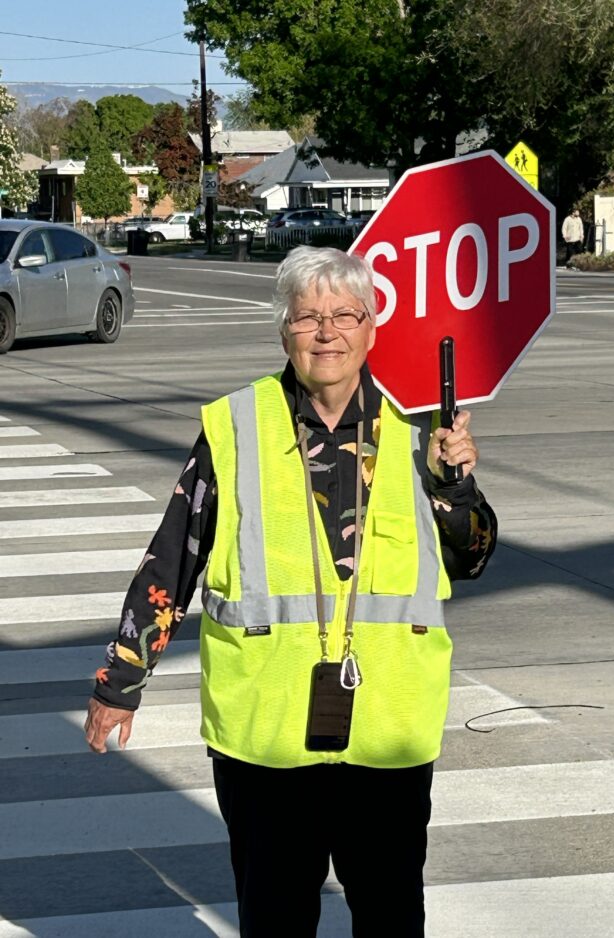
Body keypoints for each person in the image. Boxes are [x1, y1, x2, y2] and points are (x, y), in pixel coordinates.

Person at [84, 246, 497, 938]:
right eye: (308, 317)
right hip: (266, 738)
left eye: (344, 315)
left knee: (393, 917)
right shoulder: (235, 429)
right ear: (284, 332)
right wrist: (119, 682)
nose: (326, 332)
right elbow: (170, 564)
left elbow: (474, 554)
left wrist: (456, 485)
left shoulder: (418, 431)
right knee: (275, 921)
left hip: (387, 736)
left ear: (371, 329)